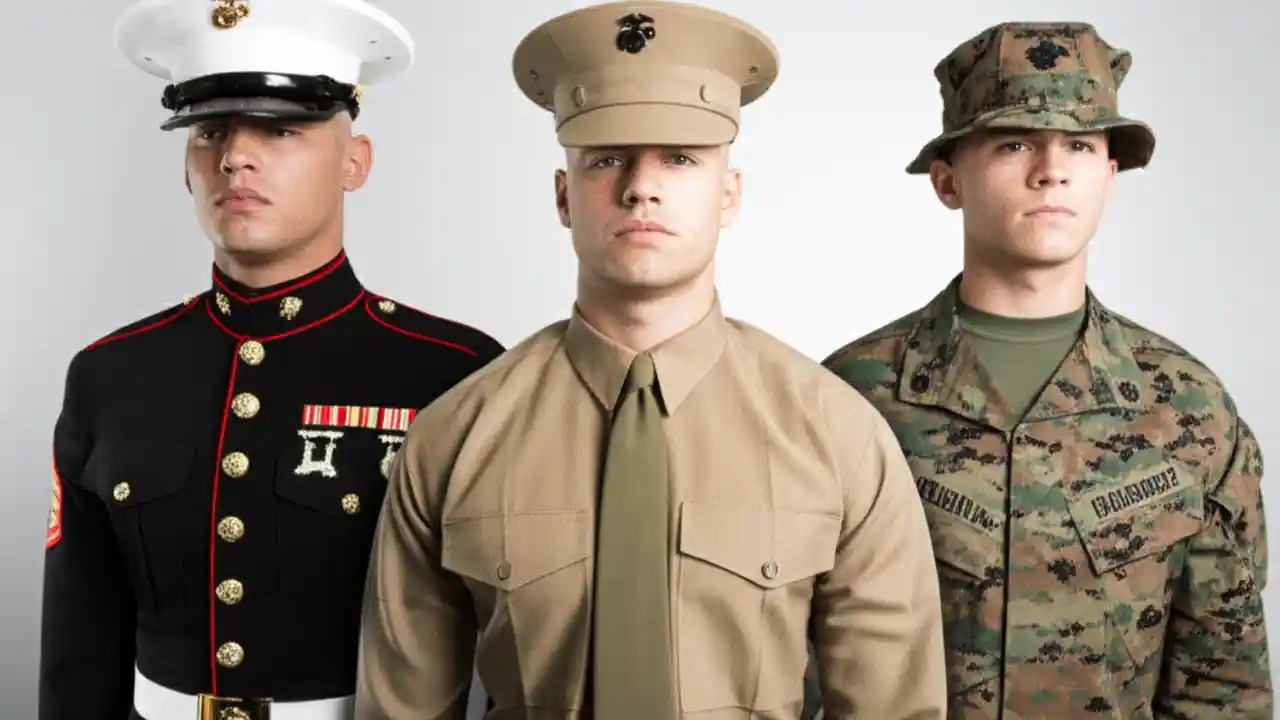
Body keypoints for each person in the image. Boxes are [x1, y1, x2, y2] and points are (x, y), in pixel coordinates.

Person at [352, 2, 947, 718]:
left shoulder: (838, 435)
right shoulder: (456, 436)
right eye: (606, 158)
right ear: (563, 196)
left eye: (680, 158)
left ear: (729, 194)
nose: (641, 186)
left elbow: (893, 708)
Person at [38, 1, 504, 718]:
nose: (235, 157)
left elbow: (513, 637)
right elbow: (80, 642)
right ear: (187, 167)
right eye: (210, 132)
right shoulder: (110, 374)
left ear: (355, 162)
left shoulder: (455, 373)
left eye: (281, 130)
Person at [821, 21, 1271, 718]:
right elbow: (790, 661)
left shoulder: (1189, 407)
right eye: (1014, 142)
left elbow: (1222, 690)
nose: (1051, 169)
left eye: (1081, 145)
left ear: (1108, 177)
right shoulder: (850, 397)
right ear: (947, 180)